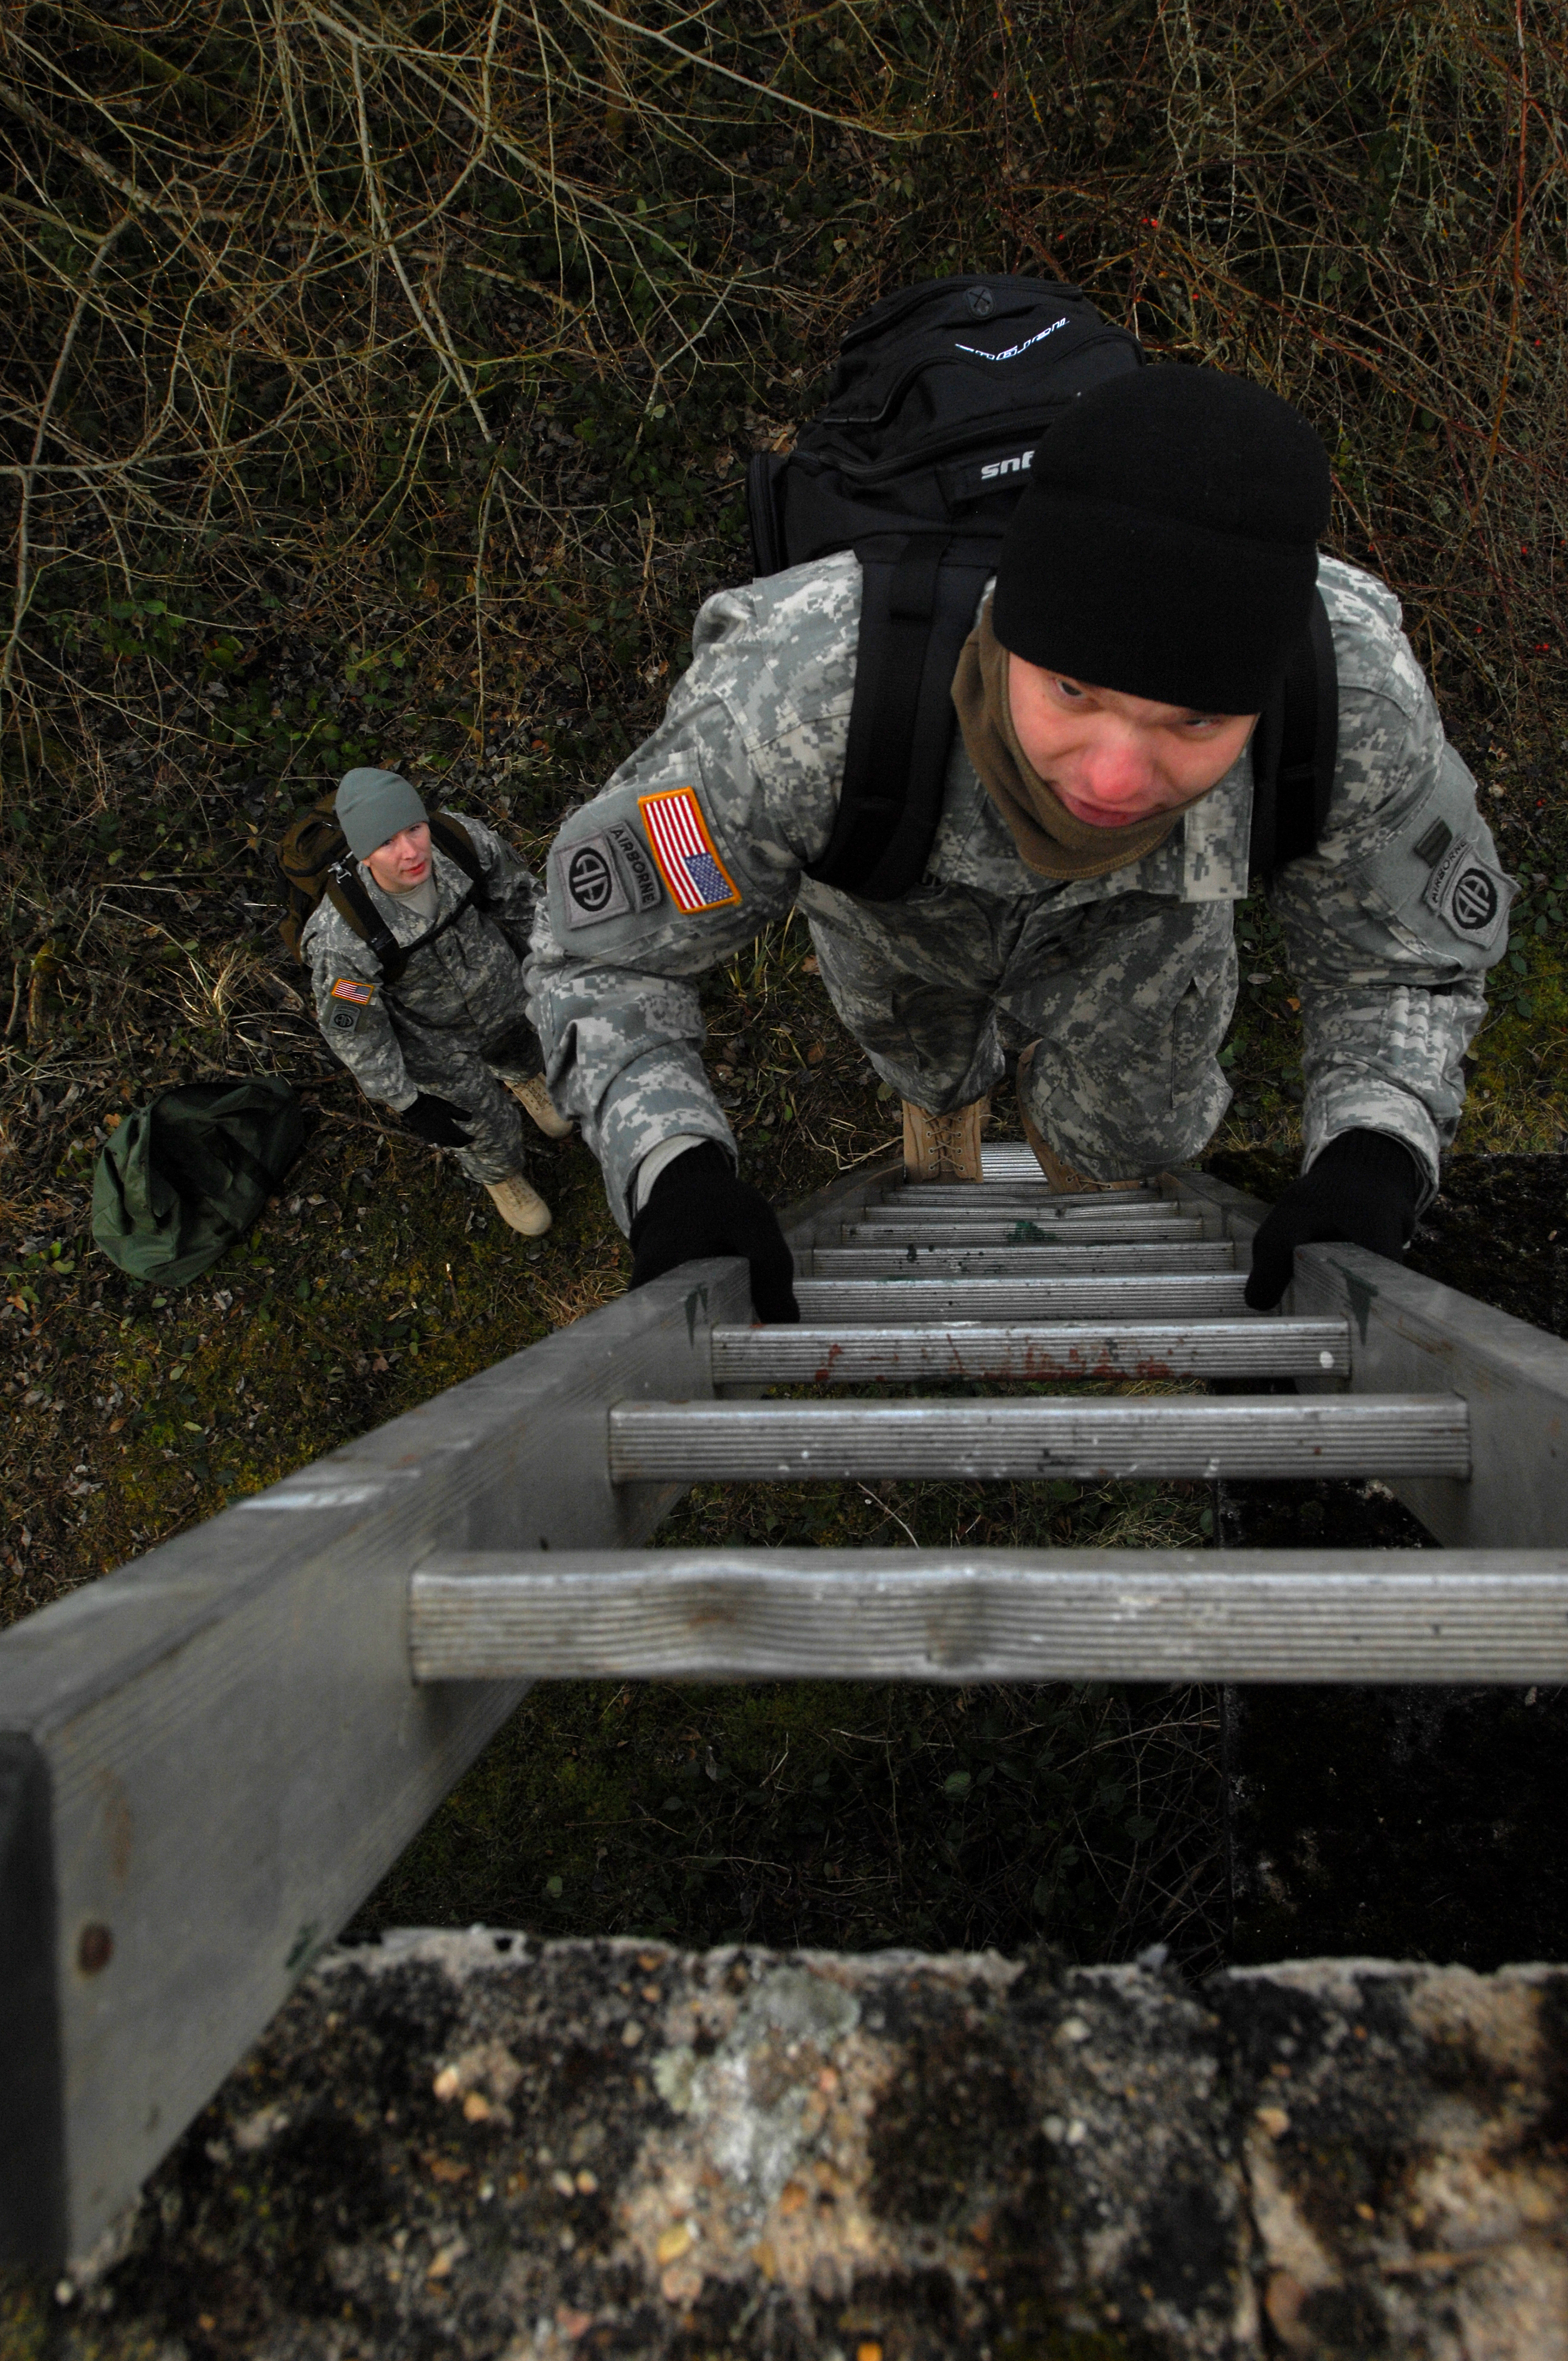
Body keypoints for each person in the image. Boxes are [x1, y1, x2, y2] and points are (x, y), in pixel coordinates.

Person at [525, 368, 1515, 1319]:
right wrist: (671, 1167)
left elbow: (1407, 966)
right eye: (1072, 691)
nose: (1112, 780)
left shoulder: (1354, 704)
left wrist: (1373, 1152)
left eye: (1195, 722)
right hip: (896, 948)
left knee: (1126, 1140)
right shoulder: (795, 699)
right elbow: (606, 954)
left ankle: (1087, 1182)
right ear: (1006, 631)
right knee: (928, 1071)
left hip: (1148, 968)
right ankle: (944, 1111)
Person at [304, 767, 571, 1236]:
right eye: (387, 842)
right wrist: (406, 1101)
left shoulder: (459, 840)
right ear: (364, 855)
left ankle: (529, 1084)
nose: (410, 851)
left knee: (523, 1051)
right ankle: (503, 1178)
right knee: (479, 1127)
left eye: (413, 828)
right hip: (434, 1044)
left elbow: (525, 900)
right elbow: (353, 1030)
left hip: (502, 993)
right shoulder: (341, 938)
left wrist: (554, 967)